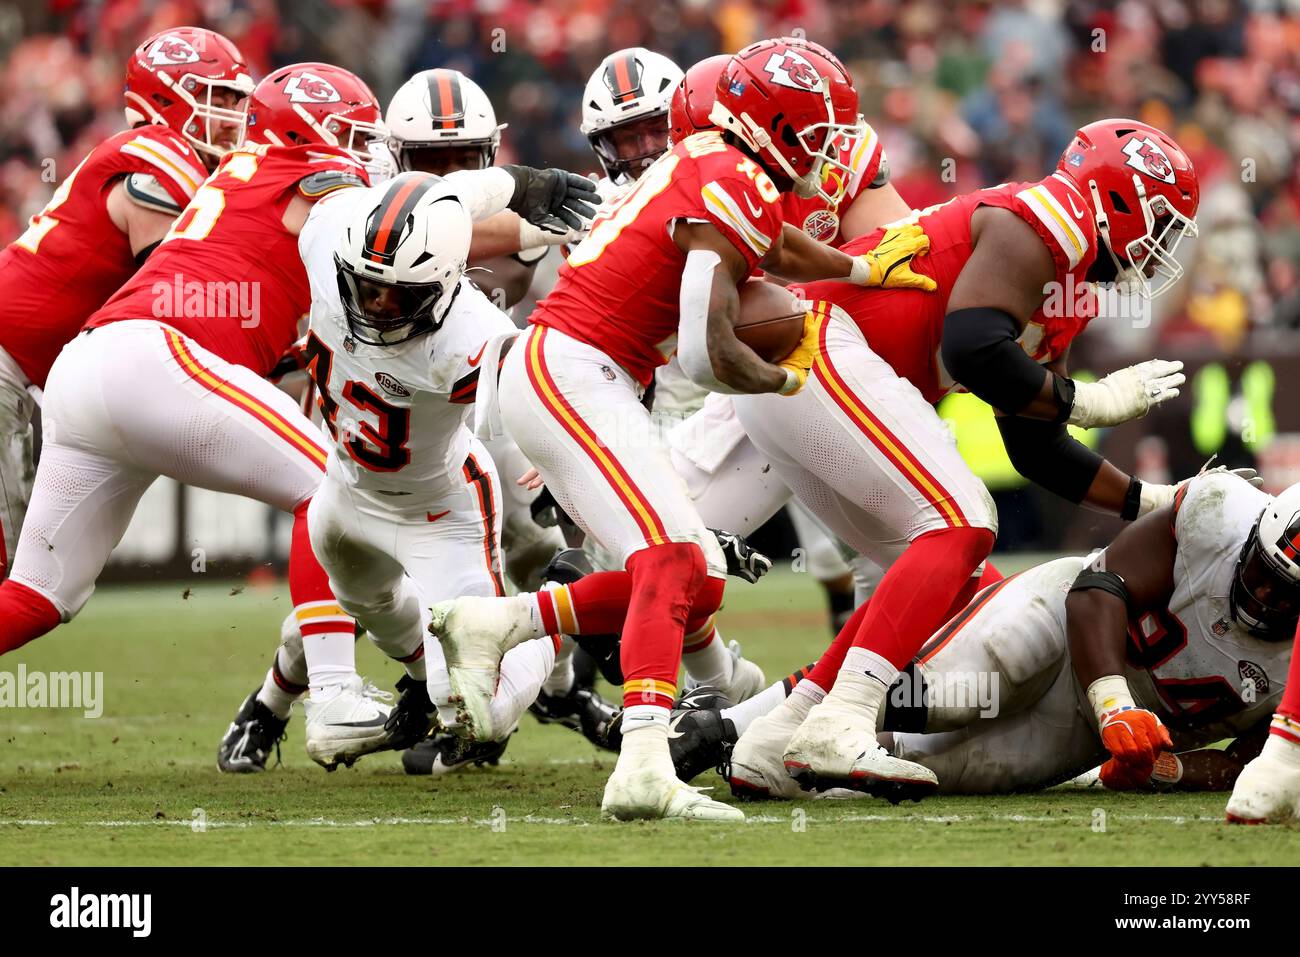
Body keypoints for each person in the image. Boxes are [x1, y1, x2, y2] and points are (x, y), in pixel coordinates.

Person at [427, 37, 934, 822]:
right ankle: (642, 766)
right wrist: (775, 378)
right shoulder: (729, 174)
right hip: (574, 371)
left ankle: (505, 622)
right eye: (809, 127)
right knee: (675, 557)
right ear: (764, 124)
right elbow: (702, 348)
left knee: (691, 568)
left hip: (578, 375)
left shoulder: (717, 168)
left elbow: (775, 246)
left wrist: (864, 270)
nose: (824, 149)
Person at [725, 118, 1204, 800]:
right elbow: (974, 348)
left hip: (814, 375)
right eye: (1160, 219)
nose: (1159, 246)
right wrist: (1091, 403)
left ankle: (778, 736)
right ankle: (845, 719)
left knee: (944, 575)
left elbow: (1033, 441)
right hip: (819, 349)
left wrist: (1150, 501)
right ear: (1119, 198)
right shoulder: (1054, 215)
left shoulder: (1067, 281)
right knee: (962, 520)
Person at [0, 27, 251, 578]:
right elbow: (171, 295)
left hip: (19, 374)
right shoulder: (162, 153)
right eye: (222, 98)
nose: (235, 114)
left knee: (19, 568)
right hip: (5, 365)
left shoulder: (158, 154)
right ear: (167, 99)